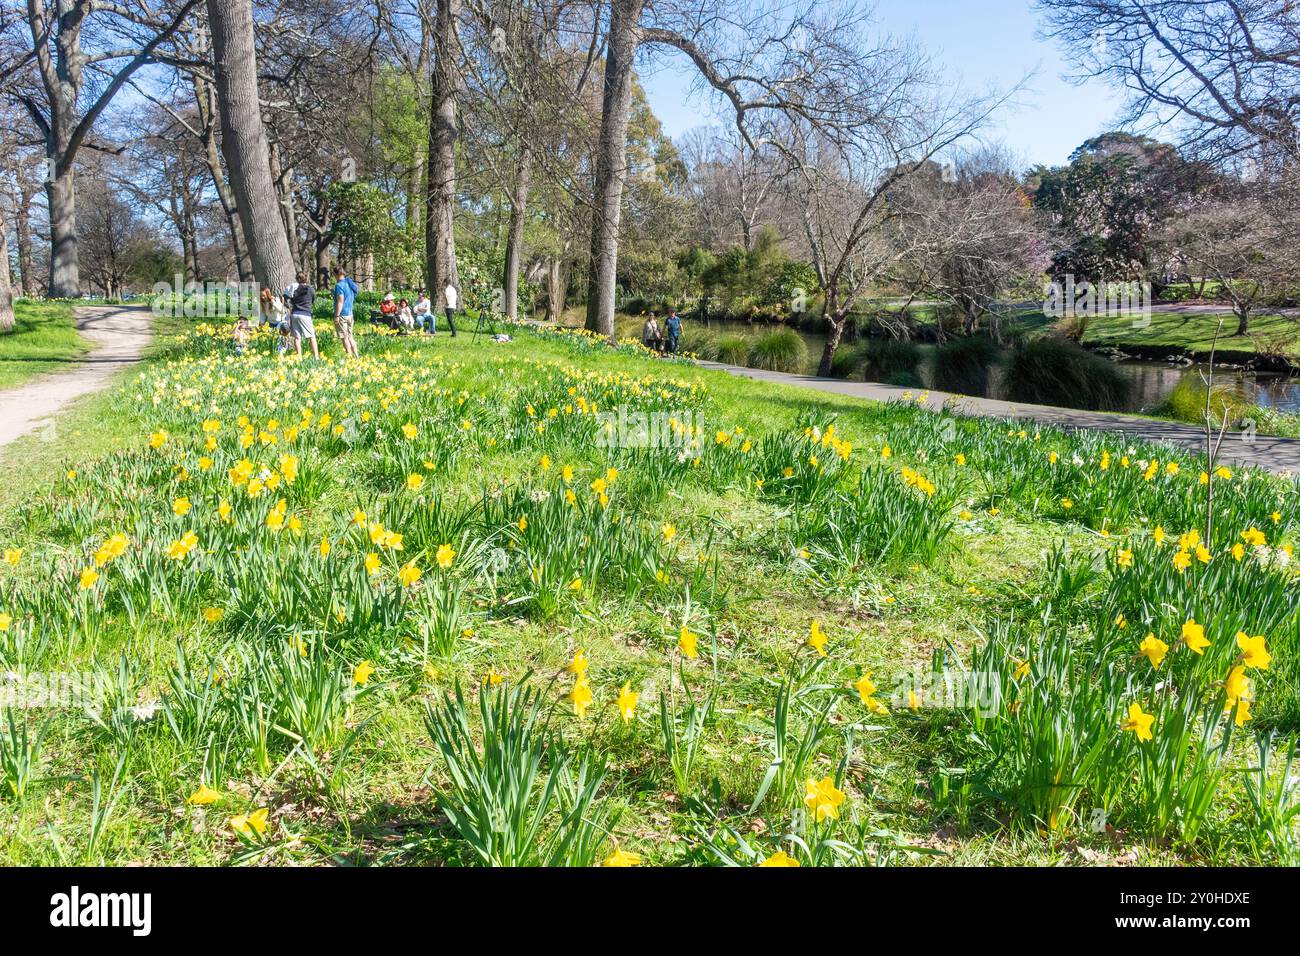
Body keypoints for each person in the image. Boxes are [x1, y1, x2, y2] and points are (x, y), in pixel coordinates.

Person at [283, 272, 319, 360]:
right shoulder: (310, 289)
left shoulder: (294, 289)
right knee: (311, 336)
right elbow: (313, 299)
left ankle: (299, 357)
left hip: (294, 314)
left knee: (297, 337)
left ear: (297, 279)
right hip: (305, 314)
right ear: (306, 279)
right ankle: (316, 357)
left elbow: (285, 297)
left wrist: (289, 306)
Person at [333, 266, 360, 357]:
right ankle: (356, 355)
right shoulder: (349, 283)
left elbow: (340, 302)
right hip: (350, 314)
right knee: (350, 336)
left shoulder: (339, 286)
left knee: (344, 338)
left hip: (342, 315)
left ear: (336, 274)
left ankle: (349, 358)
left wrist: (337, 316)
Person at [258, 286, 291, 354]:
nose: (262, 297)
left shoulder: (276, 300)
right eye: (261, 296)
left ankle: (282, 351)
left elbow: (282, 311)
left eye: (264, 295)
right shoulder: (263, 304)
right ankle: (274, 351)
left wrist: (274, 303)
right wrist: (261, 323)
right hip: (270, 324)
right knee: (272, 340)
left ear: (268, 294)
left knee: (279, 339)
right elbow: (263, 315)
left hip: (279, 323)